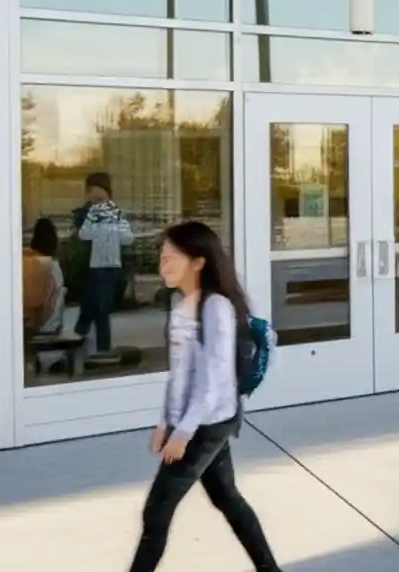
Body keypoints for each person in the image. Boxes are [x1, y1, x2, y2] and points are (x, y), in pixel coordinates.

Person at [129, 221, 279, 572]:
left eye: (170, 258)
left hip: (207, 424)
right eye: (162, 258)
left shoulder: (216, 309)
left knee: (157, 511)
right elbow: (180, 376)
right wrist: (165, 422)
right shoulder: (184, 307)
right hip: (200, 422)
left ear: (198, 262)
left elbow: (212, 380)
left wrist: (182, 432)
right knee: (228, 499)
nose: (162, 266)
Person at [73, 171, 133, 353]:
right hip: (89, 267)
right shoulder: (85, 213)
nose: (93, 194)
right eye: (90, 191)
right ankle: (84, 341)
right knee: (92, 307)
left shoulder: (114, 213)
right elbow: (82, 235)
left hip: (107, 267)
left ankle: (98, 348)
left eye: (96, 190)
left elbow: (126, 237)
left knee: (100, 309)